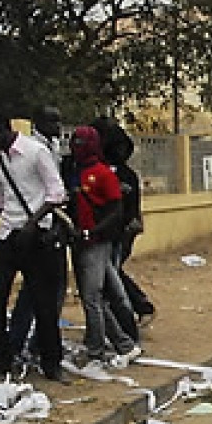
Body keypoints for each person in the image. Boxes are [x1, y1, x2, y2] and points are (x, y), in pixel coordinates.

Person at [0, 110, 68, 381]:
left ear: (2, 128)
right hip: (8, 236)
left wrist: (31, 224)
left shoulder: (36, 153)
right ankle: (1, 360)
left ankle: (51, 364)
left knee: (43, 303)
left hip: (36, 239)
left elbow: (57, 194)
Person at [69, 126, 143, 369]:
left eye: (80, 143)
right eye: (73, 142)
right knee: (100, 297)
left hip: (97, 243)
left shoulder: (102, 174)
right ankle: (125, 344)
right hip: (81, 242)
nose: (75, 147)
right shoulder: (74, 171)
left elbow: (116, 211)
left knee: (93, 297)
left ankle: (96, 351)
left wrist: (93, 231)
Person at [7, 105, 68, 365]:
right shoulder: (38, 151)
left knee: (41, 291)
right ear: (39, 123)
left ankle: (29, 343)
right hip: (40, 228)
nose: (58, 127)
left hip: (48, 225)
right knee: (41, 291)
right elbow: (51, 194)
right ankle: (29, 344)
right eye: (53, 122)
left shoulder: (50, 148)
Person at [93, 117, 155, 329]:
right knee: (110, 273)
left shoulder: (123, 174)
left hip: (121, 231)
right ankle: (129, 312)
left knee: (111, 273)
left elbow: (130, 206)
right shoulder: (109, 171)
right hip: (111, 230)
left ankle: (138, 308)